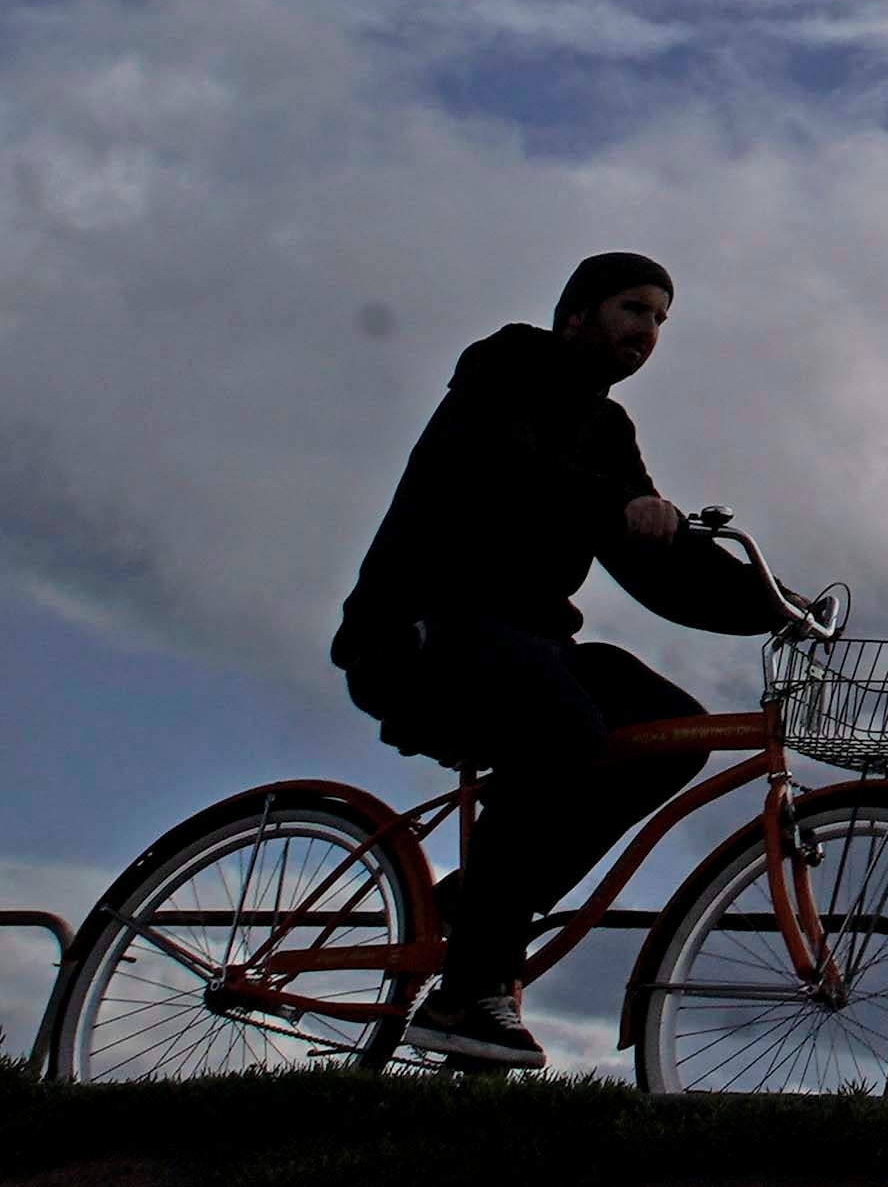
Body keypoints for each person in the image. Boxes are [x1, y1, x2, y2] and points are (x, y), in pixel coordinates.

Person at [329, 250, 788, 1070]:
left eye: (659, 319)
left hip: (525, 642)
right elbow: (508, 467)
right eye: (633, 309)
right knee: (562, 726)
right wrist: (620, 504)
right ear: (576, 313)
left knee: (677, 728)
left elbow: (658, 561)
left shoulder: (610, 431)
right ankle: (470, 989)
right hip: (418, 633)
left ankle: (483, 904)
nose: (647, 330)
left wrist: (778, 605)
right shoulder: (504, 367)